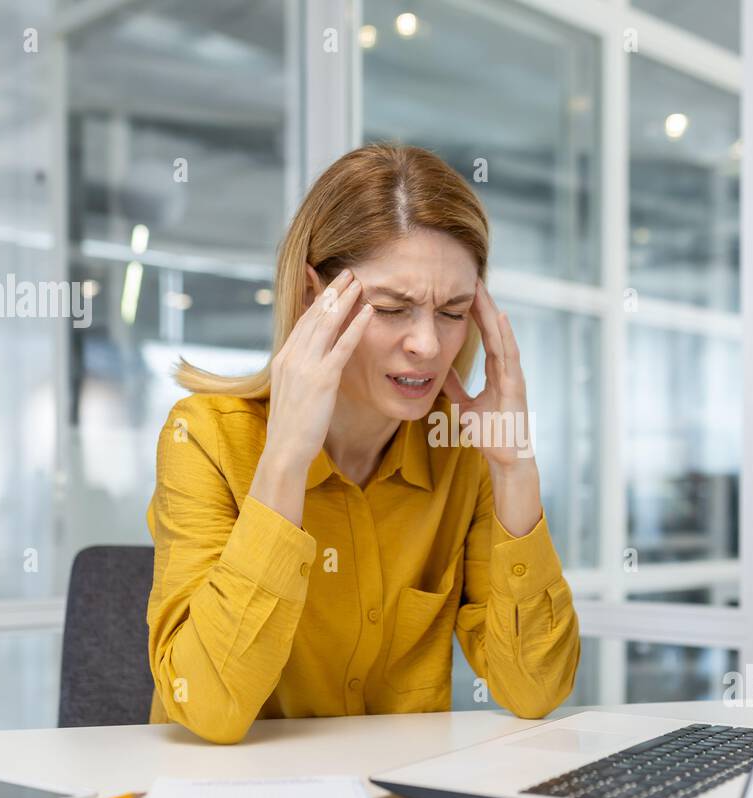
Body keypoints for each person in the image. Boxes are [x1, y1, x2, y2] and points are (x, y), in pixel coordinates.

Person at [145, 143, 580, 743]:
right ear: (309, 296)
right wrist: (286, 461)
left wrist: (514, 469)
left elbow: (535, 689)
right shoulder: (205, 436)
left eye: (453, 312)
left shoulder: (461, 452)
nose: (427, 344)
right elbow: (209, 710)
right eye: (391, 307)